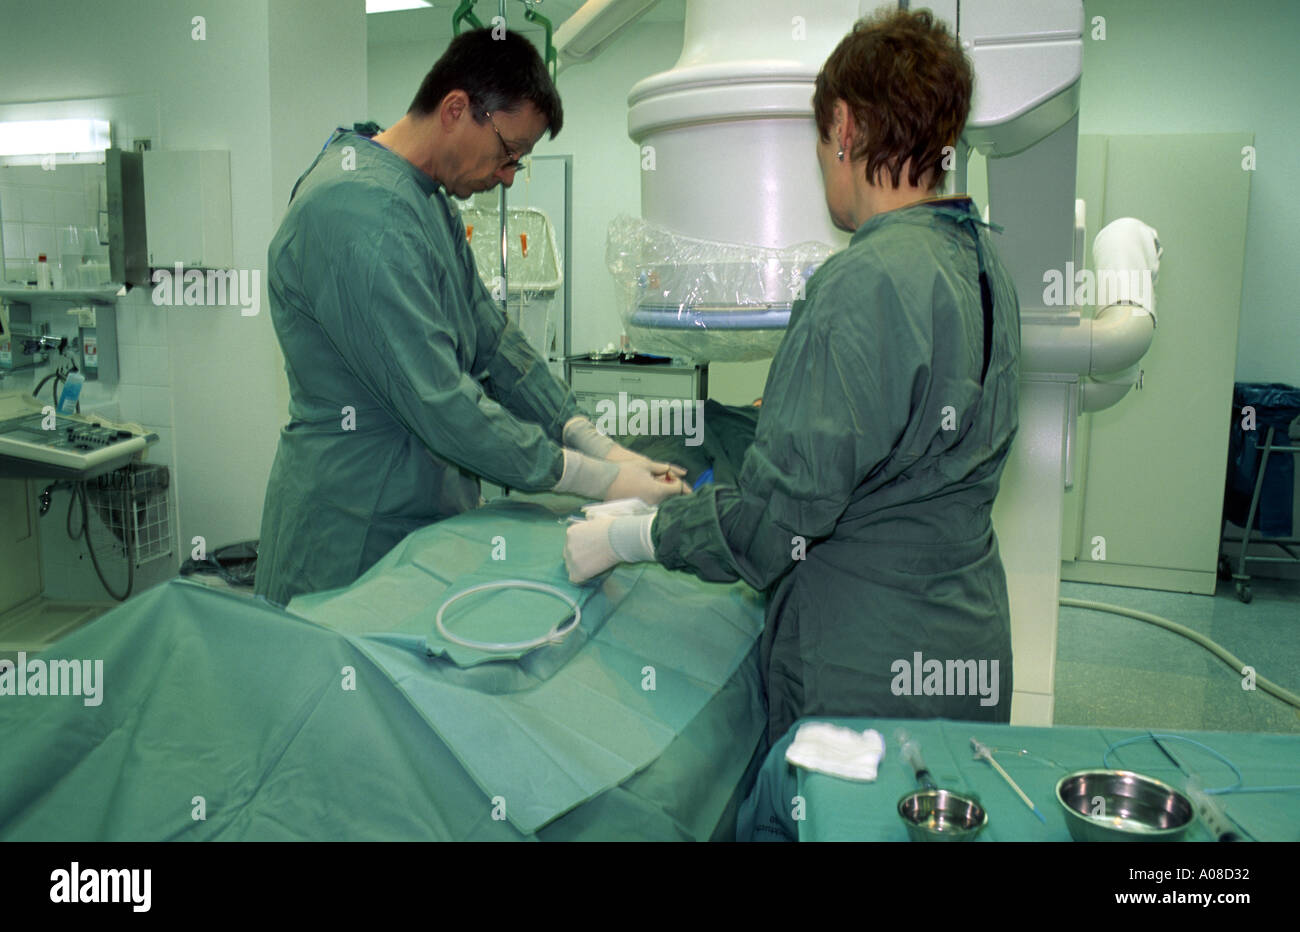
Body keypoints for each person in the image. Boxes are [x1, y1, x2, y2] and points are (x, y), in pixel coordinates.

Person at [564, 9, 1021, 745]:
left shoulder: (861, 280)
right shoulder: (982, 262)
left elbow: (775, 530)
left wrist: (638, 537)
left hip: (863, 674)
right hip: (967, 648)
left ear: (842, 127)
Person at [257, 29, 686, 606]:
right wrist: (599, 480)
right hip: (353, 528)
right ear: (457, 109)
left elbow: (492, 341)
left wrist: (595, 442)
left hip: (420, 514)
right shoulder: (356, 213)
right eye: (509, 152)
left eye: (521, 162)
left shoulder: (425, 200)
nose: (509, 175)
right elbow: (442, 402)